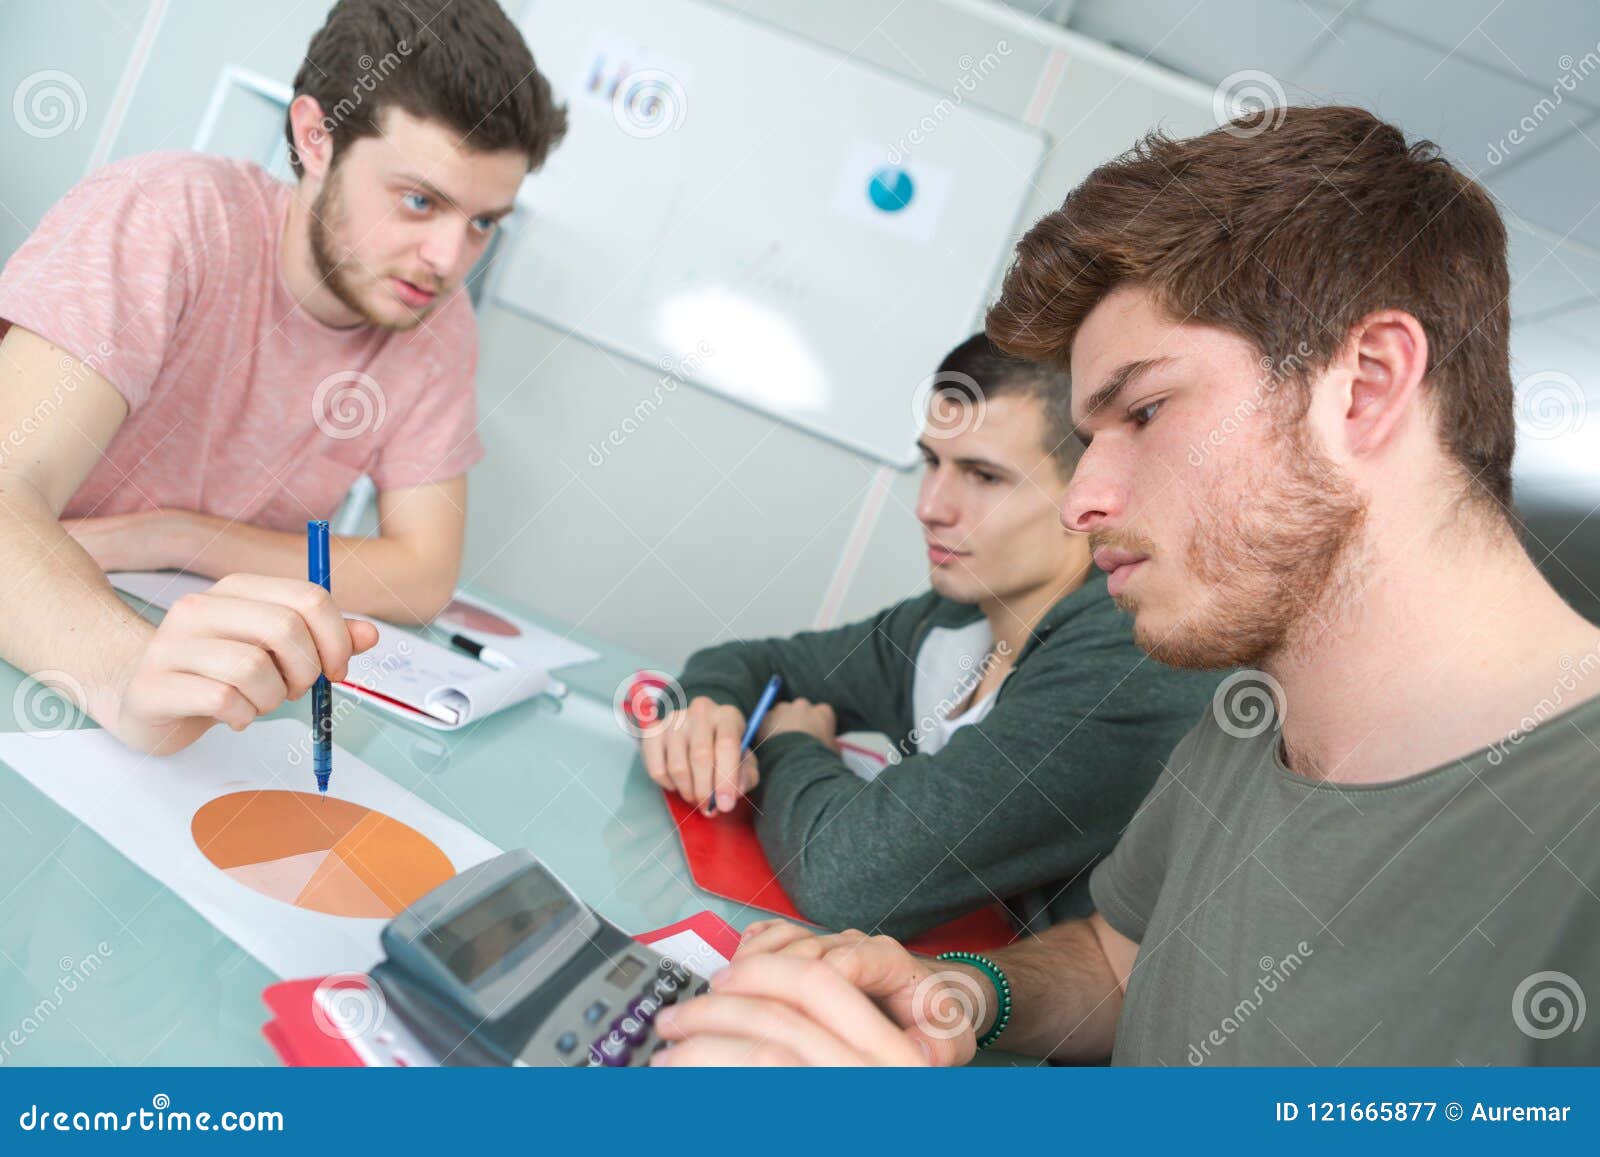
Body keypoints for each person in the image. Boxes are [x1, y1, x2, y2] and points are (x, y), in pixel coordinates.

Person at [648, 106, 1600, 1066]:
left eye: (1144, 411)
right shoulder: (1246, 716)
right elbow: (1122, 960)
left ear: (1365, 384)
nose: (1084, 502)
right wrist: (961, 993)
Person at [0, 0, 566, 754]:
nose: (447, 258)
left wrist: (172, 536)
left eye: (483, 222)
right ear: (317, 136)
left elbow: (424, 573)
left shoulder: (436, 321)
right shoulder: (168, 216)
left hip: (190, 688)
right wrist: (129, 671)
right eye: (420, 200)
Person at [639, 334, 1220, 939]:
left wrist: (789, 742)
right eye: (932, 462)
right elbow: (759, 663)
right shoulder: (951, 617)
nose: (930, 506)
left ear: (1089, 494)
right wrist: (709, 709)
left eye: (983, 476)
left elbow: (849, 881)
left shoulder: (1126, 660)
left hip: (1020, 1024)